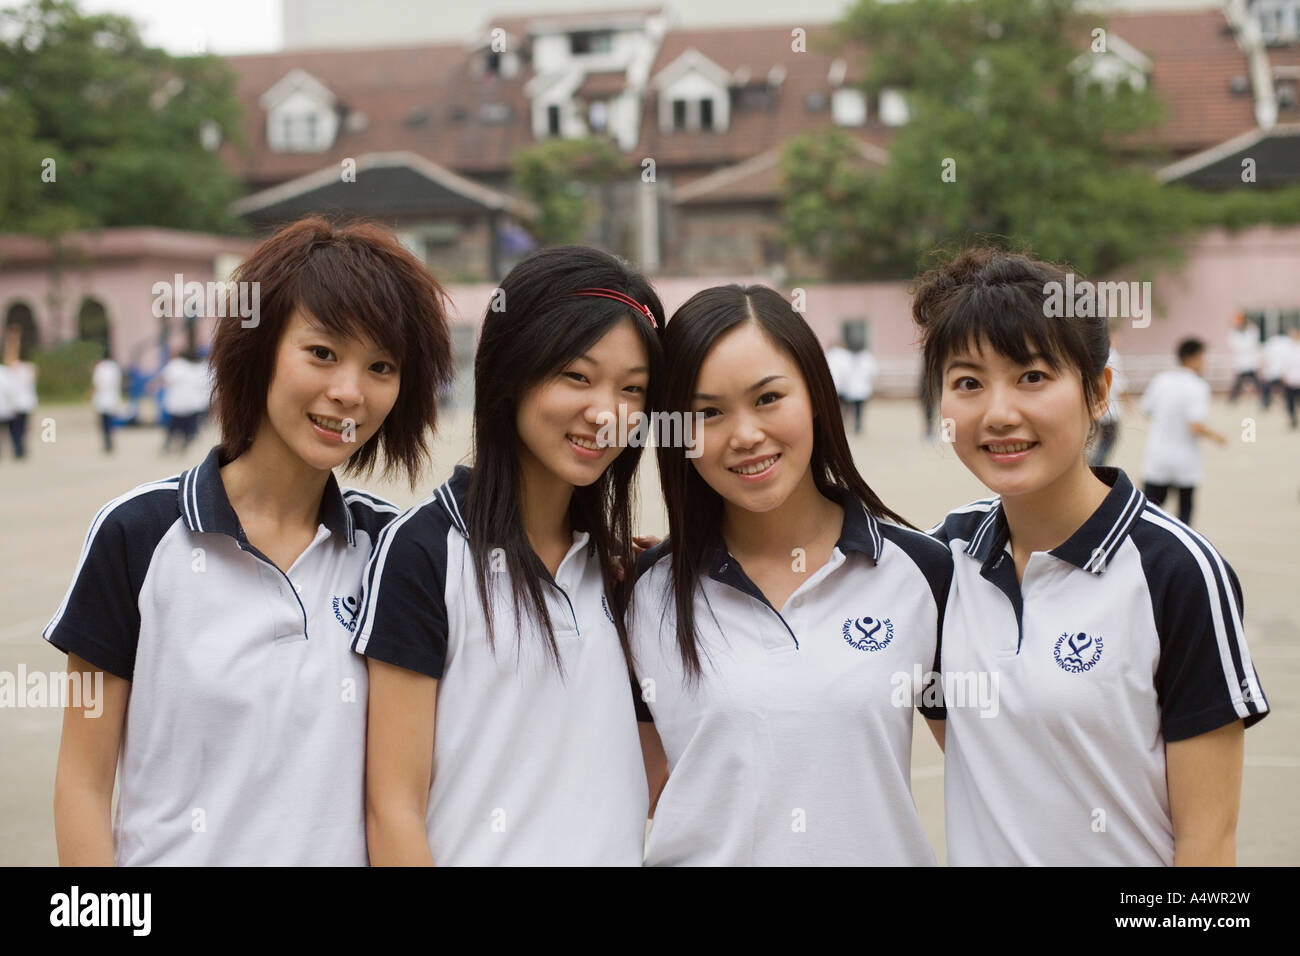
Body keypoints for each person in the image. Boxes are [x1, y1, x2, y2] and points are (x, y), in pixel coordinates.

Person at [45, 217, 454, 865]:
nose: (349, 392)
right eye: (322, 353)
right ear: (259, 349)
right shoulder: (137, 534)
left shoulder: (394, 550)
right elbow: (83, 785)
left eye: (381, 367)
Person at [915, 246, 1268, 866]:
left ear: (1098, 391)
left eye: (1032, 376)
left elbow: (1208, 844)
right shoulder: (937, 565)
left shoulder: (1176, 572)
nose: (999, 413)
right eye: (967, 382)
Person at [355, 245, 664, 866]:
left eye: (633, 390)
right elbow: (392, 809)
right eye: (577, 376)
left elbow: (650, 776)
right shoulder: (425, 554)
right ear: (509, 375)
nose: (607, 413)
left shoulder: (625, 574)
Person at [630, 285, 948, 866]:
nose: (746, 434)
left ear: (817, 395)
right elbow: (650, 790)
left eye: (769, 397)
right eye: (708, 413)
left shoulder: (925, 573)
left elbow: (998, 778)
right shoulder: (639, 594)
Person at [1139, 338, 1226, 526]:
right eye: (1203, 358)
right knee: (1184, 513)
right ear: (1192, 358)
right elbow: (1195, 425)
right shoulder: (1198, 386)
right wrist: (1218, 437)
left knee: (1148, 513)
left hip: (1157, 456)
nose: (1205, 363)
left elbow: (1147, 410)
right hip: (1185, 459)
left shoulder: (1160, 379)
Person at [1088, 345, 1126, 467]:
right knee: (1106, 442)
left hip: (1093, 408)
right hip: (1109, 410)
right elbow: (1119, 383)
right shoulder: (1112, 355)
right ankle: (1097, 466)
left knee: (1093, 441)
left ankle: (1094, 465)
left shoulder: (1090, 351)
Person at [4, 323, 37, 459]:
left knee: (15, 429)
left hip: (16, 404)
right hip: (28, 403)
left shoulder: (15, 367)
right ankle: (21, 449)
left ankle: (18, 449)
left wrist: (13, 338)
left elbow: (10, 356)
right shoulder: (31, 368)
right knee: (23, 428)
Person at [91, 350, 123, 454]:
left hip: (102, 398)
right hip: (113, 397)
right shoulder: (115, 367)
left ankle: (107, 443)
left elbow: (97, 383)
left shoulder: (100, 367)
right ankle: (111, 442)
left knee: (104, 423)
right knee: (111, 422)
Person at [1227, 312, 1262, 405]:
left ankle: (1264, 401)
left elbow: (1253, 341)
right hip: (1241, 362)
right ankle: (1232, 400)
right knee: (1237, 383)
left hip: (1251, 362)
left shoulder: (1251, 330)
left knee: (1258, 383)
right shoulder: (1234, 332)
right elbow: (1234, 345)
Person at [1262, 327, 1292, 410]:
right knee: (1288, 390)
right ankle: (1288, 403)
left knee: (1267, 387)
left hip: (1273, 370)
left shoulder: (1271, 342)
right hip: (1285, 371)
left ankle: (1266, 402)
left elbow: (1265, 356)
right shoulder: (1288, 341)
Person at [1282, 326, 1300, 430]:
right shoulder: (1288, 348)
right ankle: (1293, 419)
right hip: (1291, 378)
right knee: (1290, 402)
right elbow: (1285, 363)